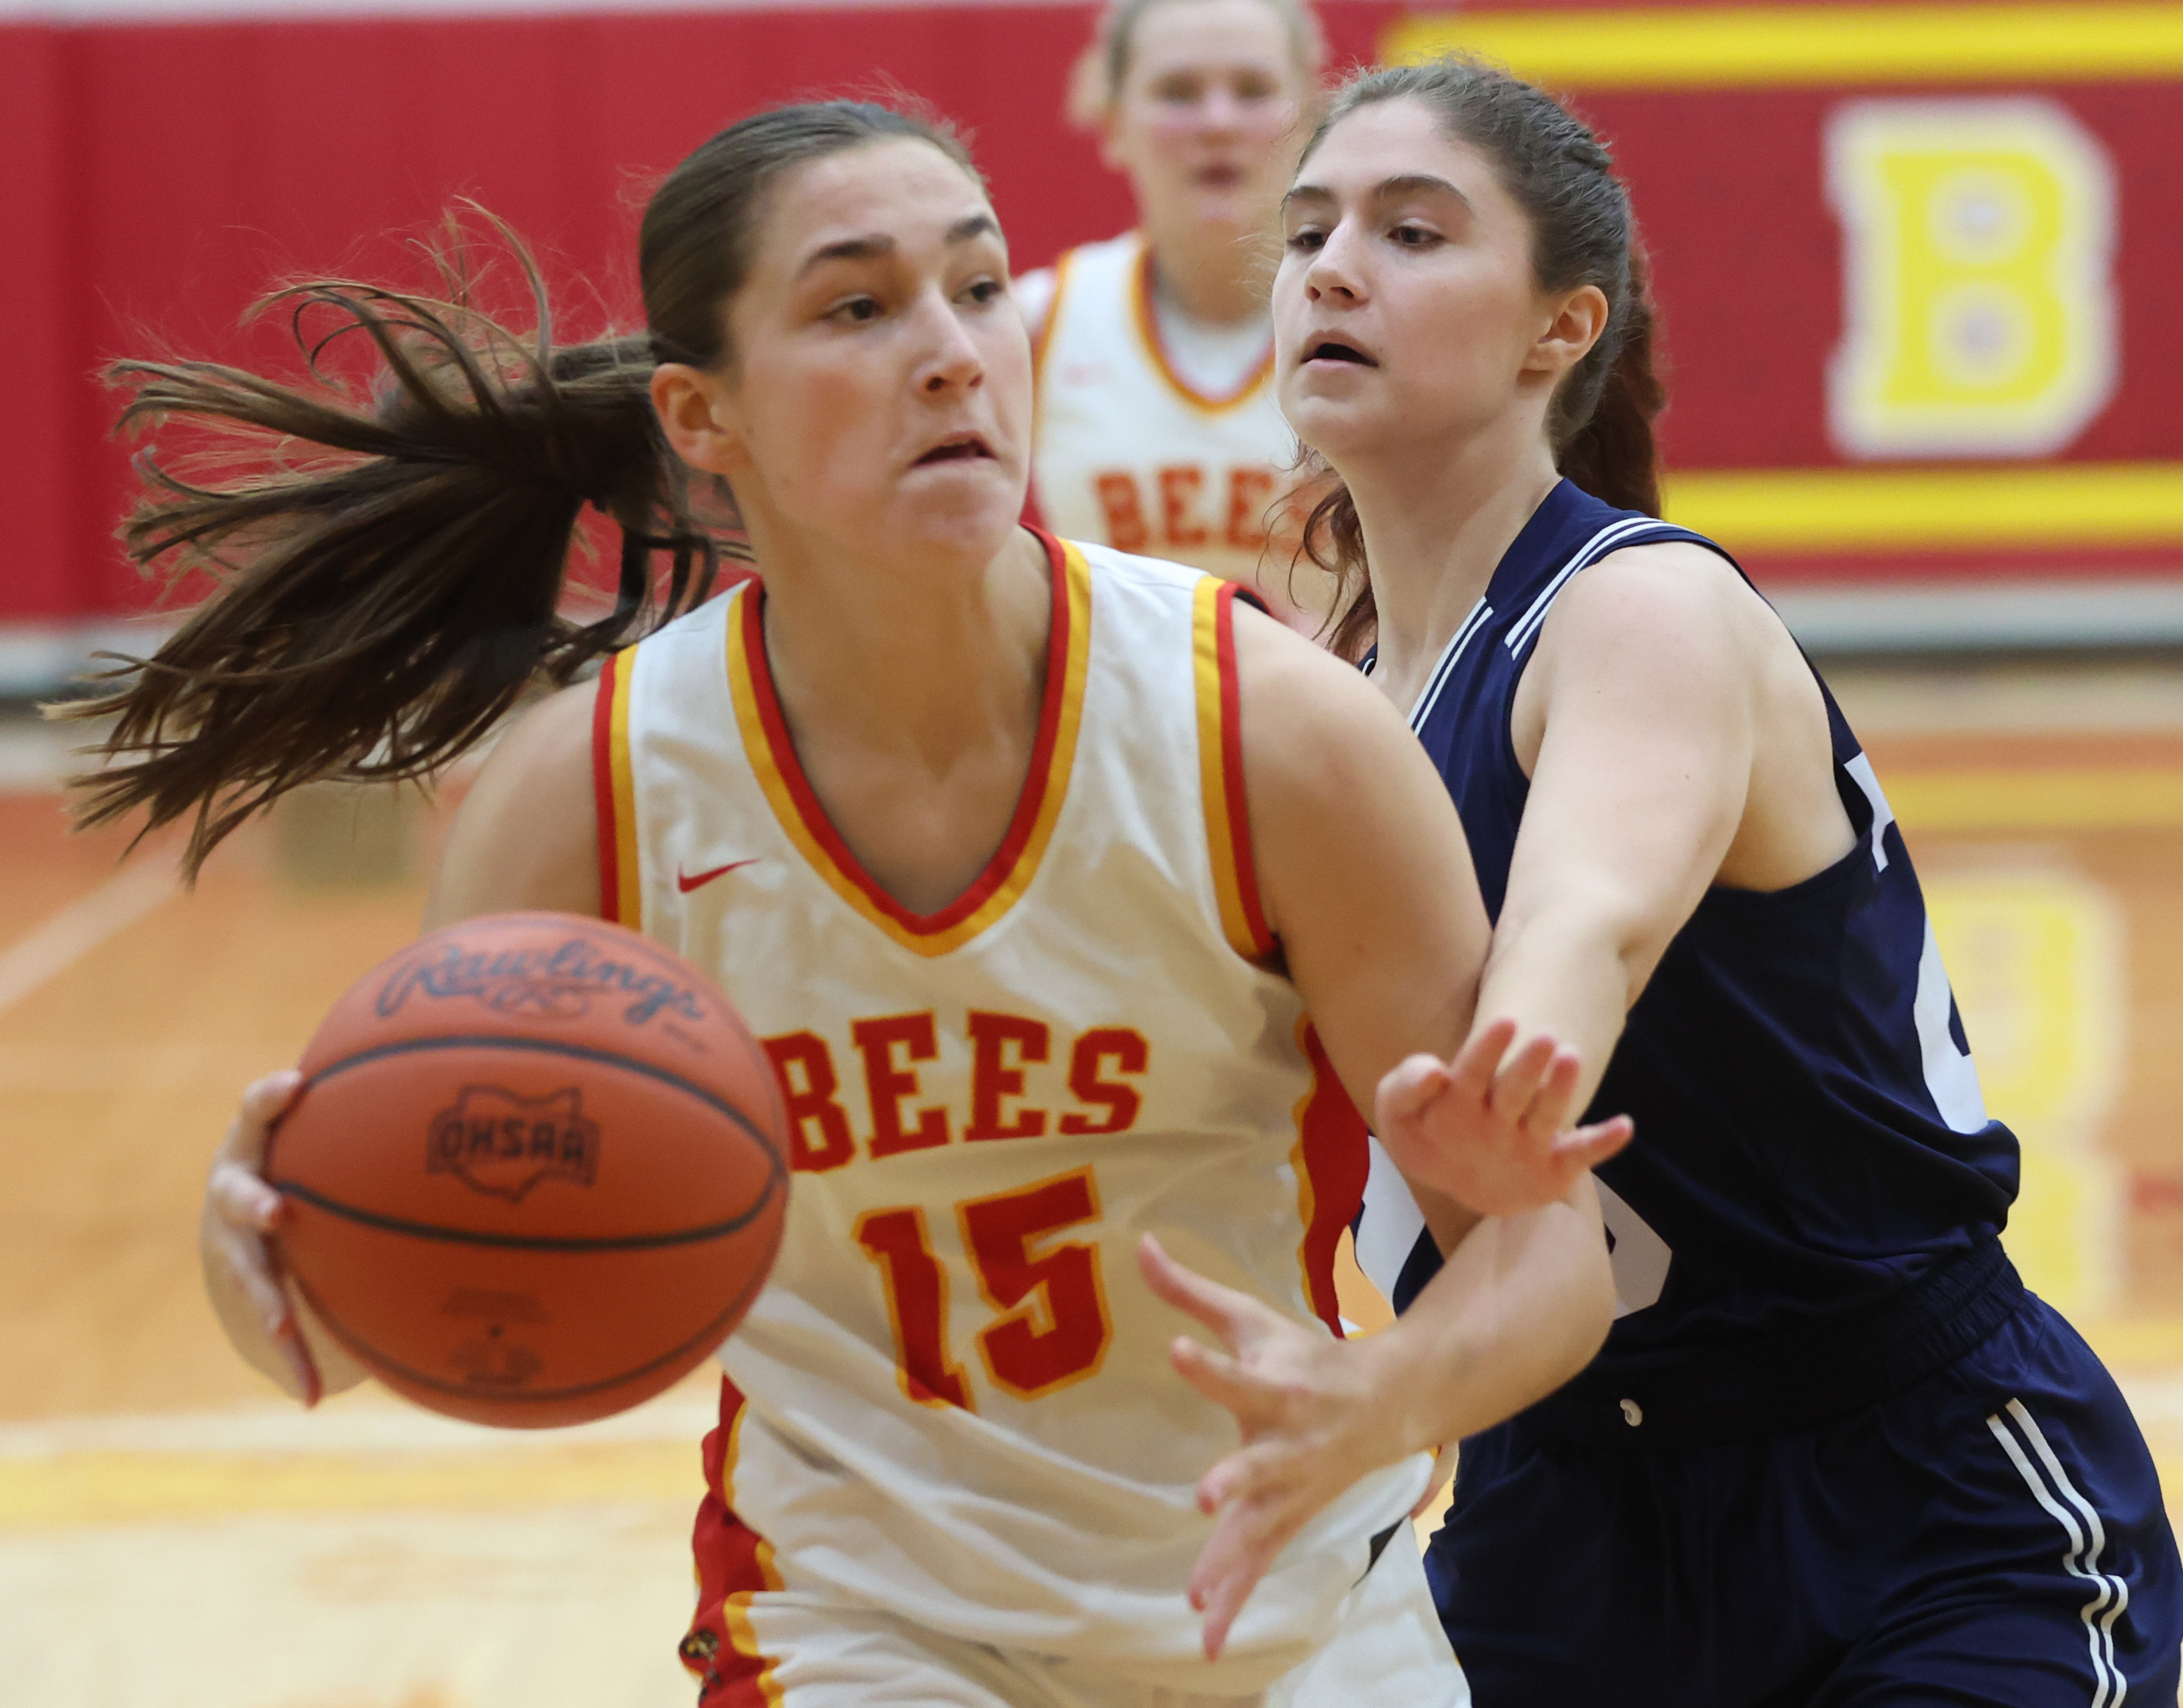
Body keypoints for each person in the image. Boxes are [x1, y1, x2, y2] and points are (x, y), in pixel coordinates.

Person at [83, 100, 1635, 1705]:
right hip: (853, 1627)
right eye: (856, 307)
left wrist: (1381, 1395)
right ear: (702, 412)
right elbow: (401, 1294)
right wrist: (273, 1245)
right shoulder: (592, 794)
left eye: (978, 288)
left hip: (1301, 1605)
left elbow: (1541, 1256)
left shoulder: (1266, 730)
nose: (955, 351)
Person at [1270, 56, 2183, 1705]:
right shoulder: (1305, 698)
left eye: (1409, 232)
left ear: (1561, 328)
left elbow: (1590, 911)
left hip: (1911, 1489)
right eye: (1308, 229)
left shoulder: (1636, 606)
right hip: (1556, 1507)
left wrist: (1515, 1078)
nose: (1330, 266)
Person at [1020, 0, 1323, 622]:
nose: (1217, 121)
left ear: (1312, 120)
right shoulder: (1036, 322)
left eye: (1253, 89)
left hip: (1347, 715)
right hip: (1112, 718)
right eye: (1177, 92)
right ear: (1111, 122)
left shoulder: (1378, 320)